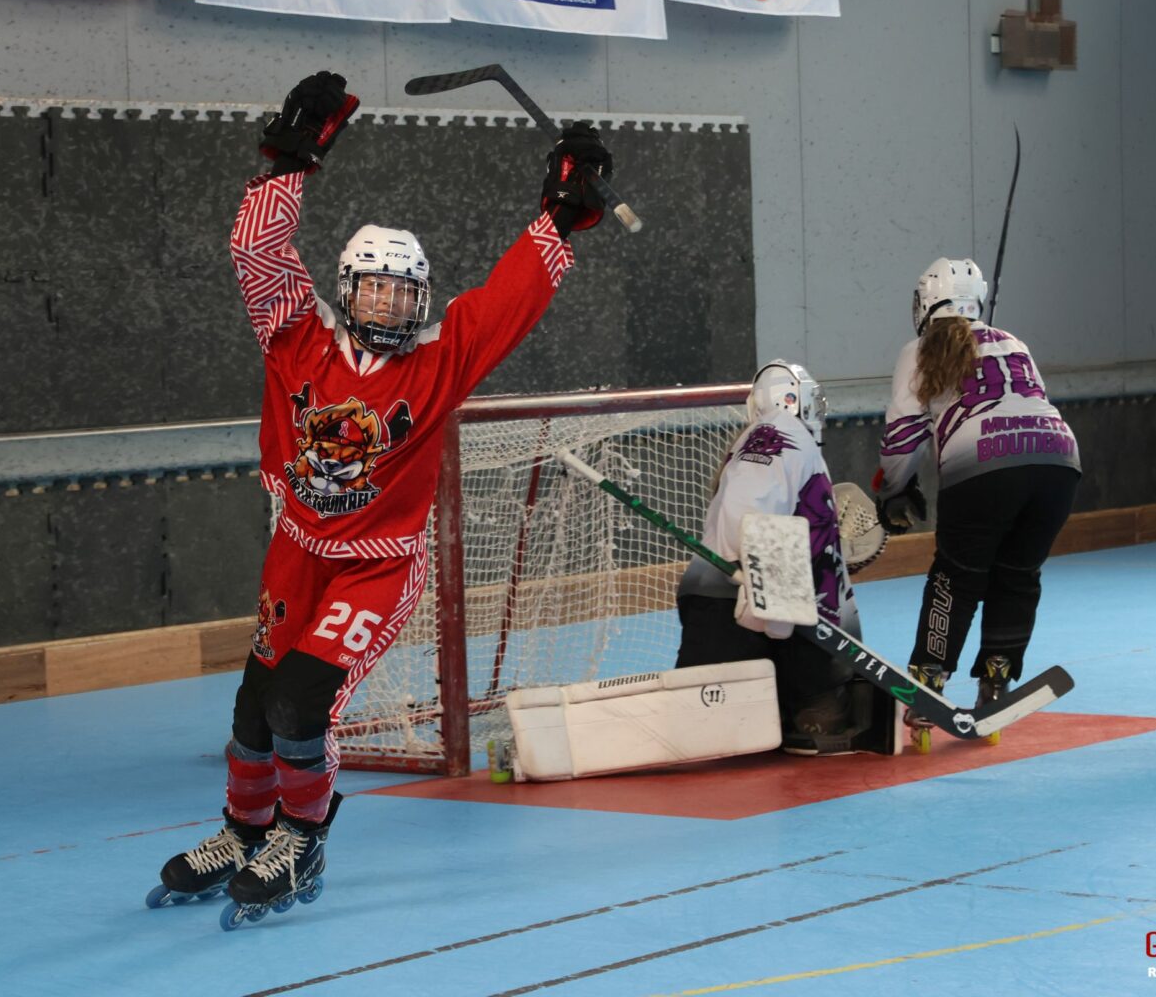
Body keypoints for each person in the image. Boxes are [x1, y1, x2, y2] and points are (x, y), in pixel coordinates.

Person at [148, 71, 612, 919]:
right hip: (295, 551)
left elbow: (508, 301)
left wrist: (557, 216)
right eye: (374, 288)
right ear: (347, 287)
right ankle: (244, 832)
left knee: (300, 703)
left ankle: (305, 836)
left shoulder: (437, 365)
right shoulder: (297, 337)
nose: (390, 305)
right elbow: (256, 253)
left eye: (406, 293)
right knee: (253, 709)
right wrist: (289, 161)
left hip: (375, 566)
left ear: (422, 299)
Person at [874, 258, 1081, 744]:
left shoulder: (920, 348)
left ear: (924, 304)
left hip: (982, 462)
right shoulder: (1015, 342)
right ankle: (997, 679)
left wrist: (893, 492)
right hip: (1058, 459)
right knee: (1018, 573)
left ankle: (928, 680)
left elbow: (903, 438)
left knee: (955, 578)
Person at [675, 360, 886, 755]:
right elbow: (744, 511)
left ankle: (778, 705)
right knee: (827, 720)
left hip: (725, 606)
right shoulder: (780, 431)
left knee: (708, 720)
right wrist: (770, 598)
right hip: (741, 605)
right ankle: (806, 703)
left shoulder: (763, 439)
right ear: (793, 400)